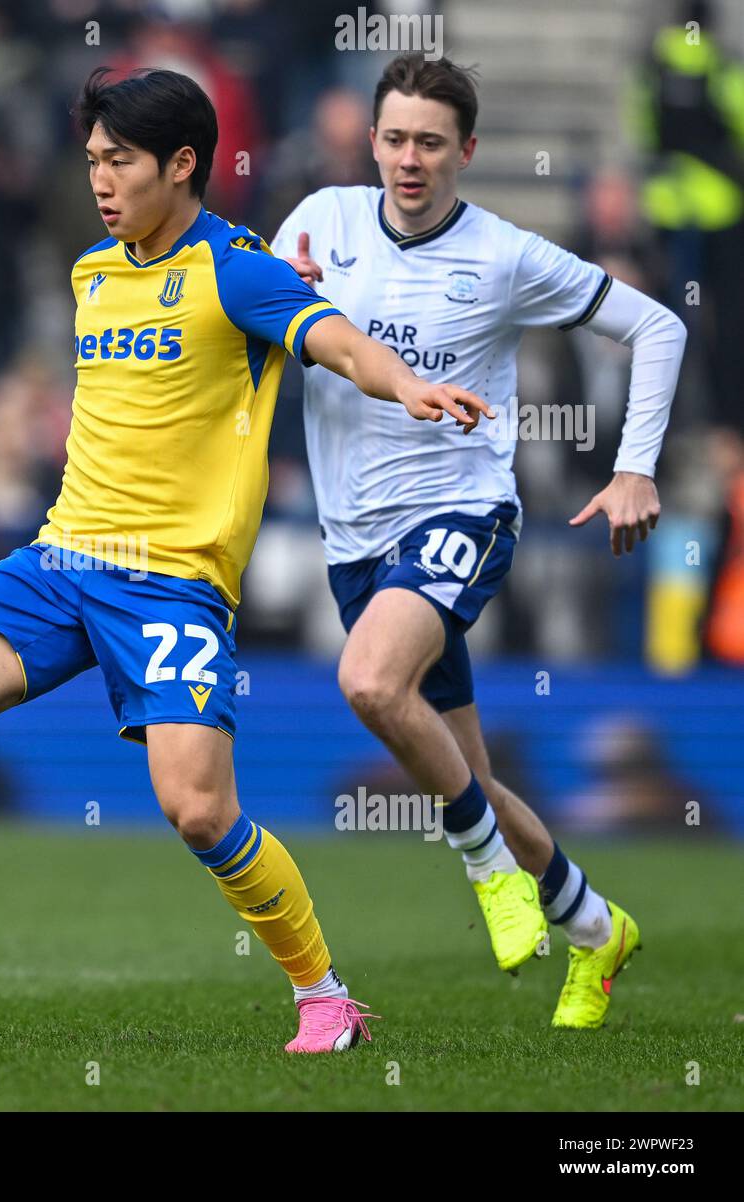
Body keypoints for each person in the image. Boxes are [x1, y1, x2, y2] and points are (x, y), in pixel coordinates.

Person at [0, 66, 489, 1054]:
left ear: (182, 164)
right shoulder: (87, 273)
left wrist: (404, 383)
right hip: (61, 560)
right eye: (91, 162)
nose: (102, 182)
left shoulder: (236, 270)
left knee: (198, 807)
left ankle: (324, 995)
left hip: (171, 584)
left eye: (120, 162)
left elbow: (335, 343)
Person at [274, 54, 686, 1029]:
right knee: (472, 776)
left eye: (428, 142)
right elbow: (251, 324)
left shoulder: (504, 254)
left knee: (370, 682)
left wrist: (633, 467)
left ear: (465, 150)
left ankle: (487, 870)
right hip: (353, 542)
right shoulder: (315, 225)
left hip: (463, 512)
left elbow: (658, 326)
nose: (407, 160)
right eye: (392, 138)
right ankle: (595, 926)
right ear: (369, 139)